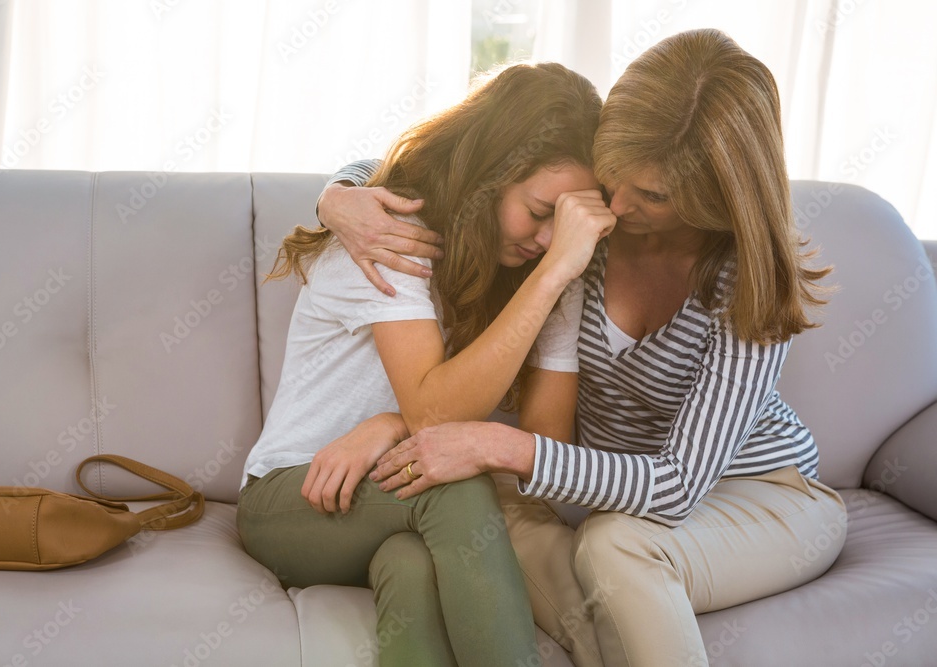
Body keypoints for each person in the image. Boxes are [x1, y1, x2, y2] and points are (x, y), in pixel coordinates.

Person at [316, 29, 847, 667]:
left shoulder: (744, 279)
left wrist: (494, 442)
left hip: (761, 495)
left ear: (718, 195)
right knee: (483, 515)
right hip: (607, 504)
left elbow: (677, 489)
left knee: (614, 545)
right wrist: (338, 197)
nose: (617, 205)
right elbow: (459, 162)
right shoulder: (578, 229)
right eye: (615, 175)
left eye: (653, 197)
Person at [237, 61, 617, 667]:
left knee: (410, 566)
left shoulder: (553, 271)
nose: (549, 240)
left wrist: (390, 426)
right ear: (491, 177)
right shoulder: (390, 239)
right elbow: (435, 412)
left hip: (388, 504)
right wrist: (551, 276)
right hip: (294, 495)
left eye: (565, 226)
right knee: (452, 484)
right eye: (540, 211)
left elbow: (544, 448)